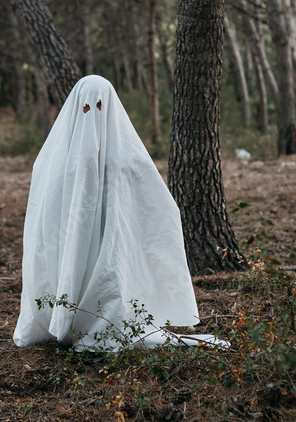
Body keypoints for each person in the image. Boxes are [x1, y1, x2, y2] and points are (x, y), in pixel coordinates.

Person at [13, 75, 225, 352]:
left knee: (107, 277)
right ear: (76, 109)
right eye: (86, 108)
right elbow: (45, 209)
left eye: (99, 107)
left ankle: (100, 321)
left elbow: (153, 199)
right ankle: (64, 318)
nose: (92, 116)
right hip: (68, 244)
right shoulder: (54, 159)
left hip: (111, 244)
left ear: (111, 109)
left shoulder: (127, 155)